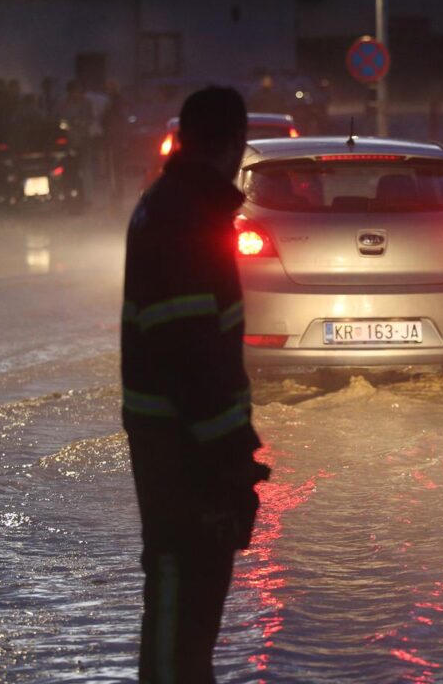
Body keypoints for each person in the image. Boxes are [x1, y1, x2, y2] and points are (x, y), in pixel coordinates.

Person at [121, 86, 270, 683]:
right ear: (235, 145)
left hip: (184, 441)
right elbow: (191, 354)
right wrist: (230, 452)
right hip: (182, 447)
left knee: (190, 603)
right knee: (181, 588)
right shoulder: (183, 218)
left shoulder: (181, 207)